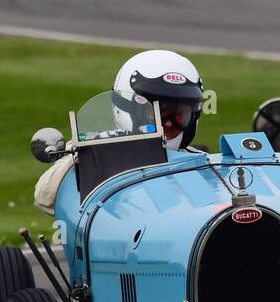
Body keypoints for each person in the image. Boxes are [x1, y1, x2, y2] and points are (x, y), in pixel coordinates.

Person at [34, 50, 205, 214]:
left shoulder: (199, 160)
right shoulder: (95, 151)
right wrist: (84, 156)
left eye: (181, 114)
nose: (168, 123)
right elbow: (44, 196)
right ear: (127, 107)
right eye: (159, 113)